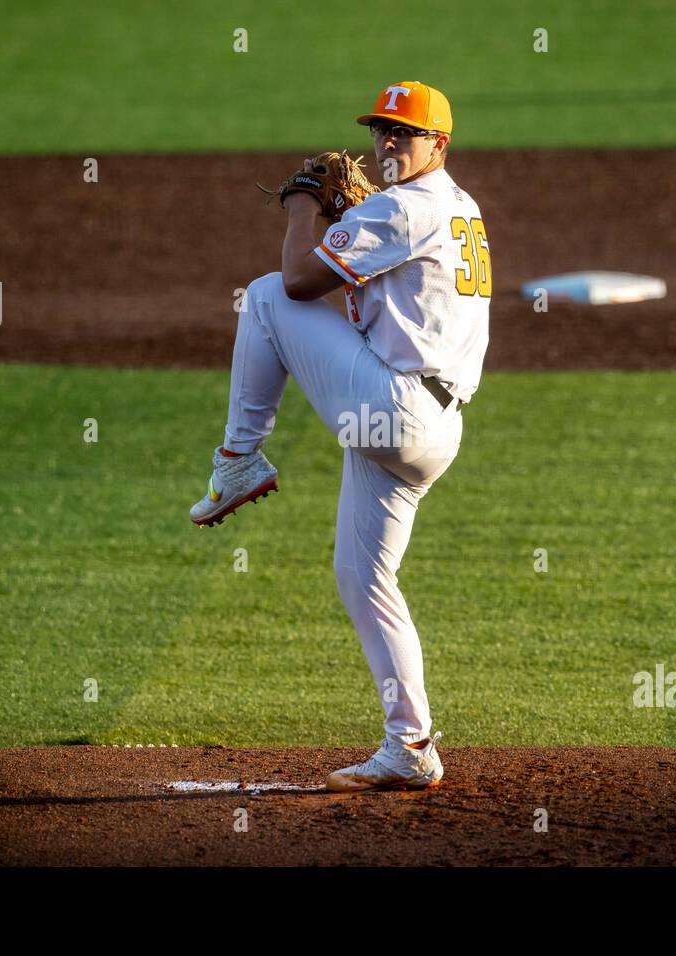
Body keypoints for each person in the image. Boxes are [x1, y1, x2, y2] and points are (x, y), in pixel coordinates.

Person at [190, 81, 491, 791]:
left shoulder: (407, 206)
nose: (387, 142)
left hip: (396, 406)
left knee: (264, 293)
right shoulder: (458, 207)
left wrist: (302, 206)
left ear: (438, 145)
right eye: (381, 130)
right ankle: (410, 746)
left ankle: (237, 458)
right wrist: (350, 220)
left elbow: (298, 281)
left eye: (405, 133)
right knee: (363, 578)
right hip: (428, 425)